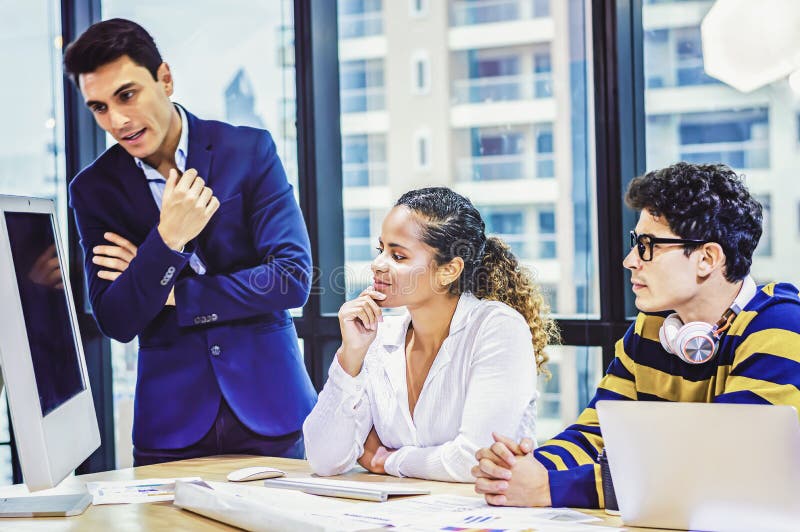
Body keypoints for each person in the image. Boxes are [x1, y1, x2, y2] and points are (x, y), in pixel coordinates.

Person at [472, 162, 800, 508]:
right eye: (635, 243)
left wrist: (551, 487)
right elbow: (596, 433)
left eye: (648, 246)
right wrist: (521, 469)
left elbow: (716, 465)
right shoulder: (653, 326)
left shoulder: (782, 325)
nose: (630, 260)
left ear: (707, 258)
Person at [63, 19, 317, 465]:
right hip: (170, 424)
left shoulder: (249, 150)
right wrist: (167, 238)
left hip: (271, 409)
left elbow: (290, 279)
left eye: (127, 95)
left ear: (165, 78)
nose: (117, 121)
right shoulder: (94, 190)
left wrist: (167, 289)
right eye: (99, 108)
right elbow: (117, 319)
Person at [303, 187, 558, 481]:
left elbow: (476, 459)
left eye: (398, 256)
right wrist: (351, 357)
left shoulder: (498, 327)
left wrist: (388, 459)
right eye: (380, 249)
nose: (377, 264)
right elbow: (324, 460)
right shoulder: (379, 337)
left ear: (449, 270)